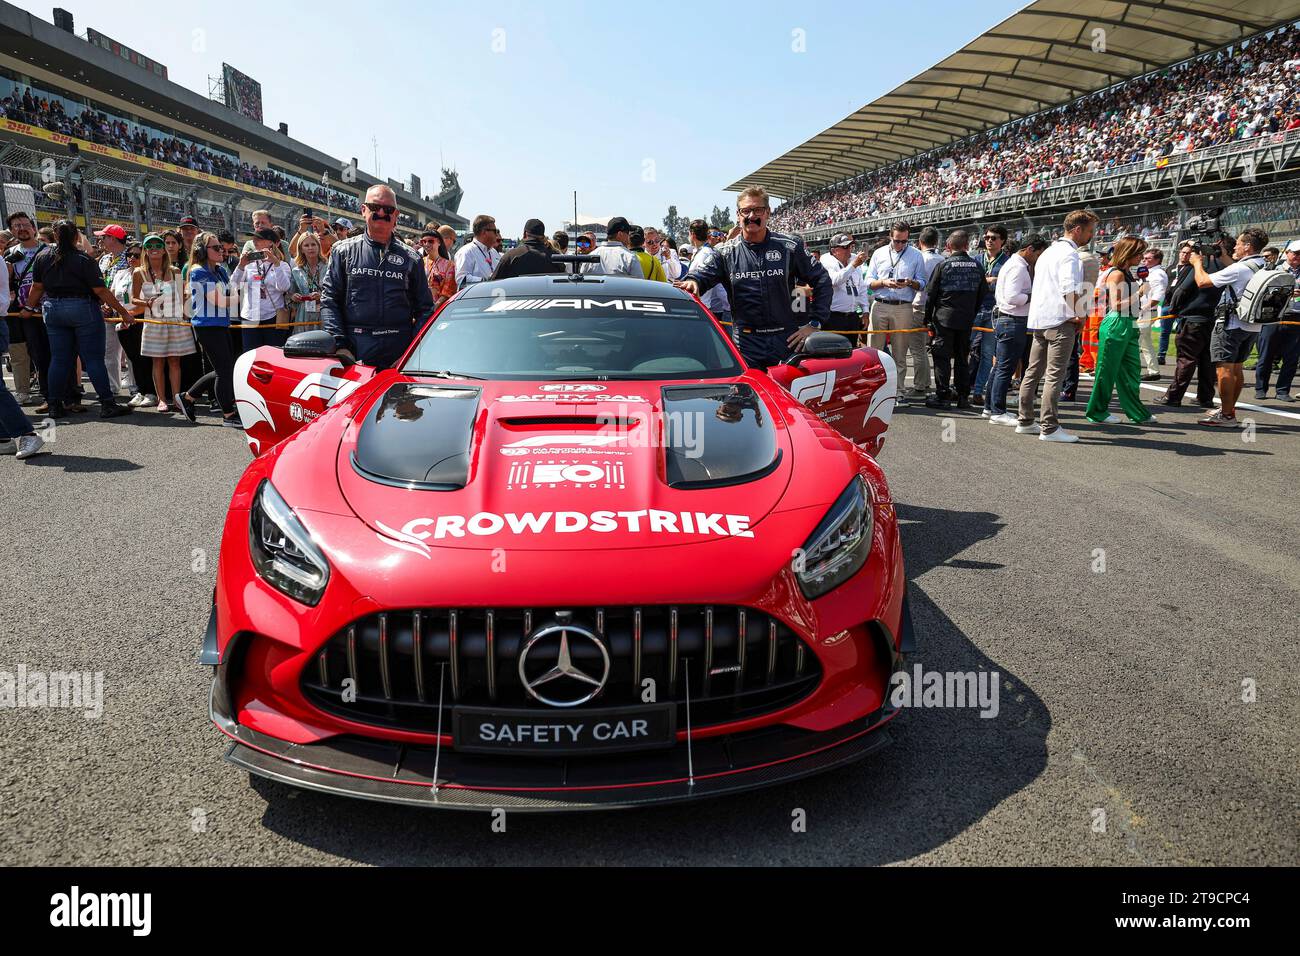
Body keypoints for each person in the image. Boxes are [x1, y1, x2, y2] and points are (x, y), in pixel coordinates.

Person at [678, 186, 830, 369]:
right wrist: (693, 280)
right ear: (738, 215)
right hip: (746, 345)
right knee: (747, 397)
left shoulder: (789, 247)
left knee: (783, 396)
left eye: (757, 210)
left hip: (786, 341)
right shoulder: (725, 253)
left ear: (767, 213)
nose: (751, 216)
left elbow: (822, 280)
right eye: (746, 211)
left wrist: (814, 323)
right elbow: (701, 276)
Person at [25, 220, 134, 418]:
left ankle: (54, 404)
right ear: (76, 236)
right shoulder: (83, 259)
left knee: (59, 359)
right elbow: (100, 290)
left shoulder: (42, 257)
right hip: (83, 308)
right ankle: (107, 403)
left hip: (53, 309)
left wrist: (27, 308)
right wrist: (123, 312)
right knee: (93, 358)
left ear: (55, 236)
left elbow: (37, 288)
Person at [321, 184, 436, 368]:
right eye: (375, 207)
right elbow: (329, 300)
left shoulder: (412, 259)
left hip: (399, 351)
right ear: (363, 210)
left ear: (396, 216)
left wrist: (411, 353)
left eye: (388, 209)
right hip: (355, 349)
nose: (381, 213)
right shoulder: (342, 252)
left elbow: (425, 310)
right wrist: (340, 345)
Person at [1018, 210, 1097, 443]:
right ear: (1077, 230)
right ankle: (1049, 427)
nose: (1091, 236)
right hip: (1059, 320)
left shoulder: (1049, 252)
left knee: (1033, 372)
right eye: (1090, 231)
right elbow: (1069, 289)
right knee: (1054, 376)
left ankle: (1025, 420)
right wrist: (1080, 315)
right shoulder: (1069, 254)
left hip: (1041, 320)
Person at [1190, 226, 1269, 427]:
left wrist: (1197, 263)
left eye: (1239, 243)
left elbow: (1203, 282)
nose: (1236, 246)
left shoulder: (1239, 268)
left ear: (1248, 246)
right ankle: (1228, 409)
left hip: (1230, 323)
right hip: (1251, 324)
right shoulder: (1263, 264)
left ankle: (1226, 416)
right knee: (1237, 368)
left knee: (1224, 369)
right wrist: (1224, 256)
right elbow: (1238, 270)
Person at [173, 232, 242, 428]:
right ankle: (228, 415)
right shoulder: (198, 271)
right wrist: (240, 297)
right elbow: (220, 301)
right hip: (207, 326)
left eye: (221, 247)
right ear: (203, 250)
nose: (222, 250)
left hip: (221, 324)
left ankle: (187, 398)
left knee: (225, 369)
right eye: (216, 247)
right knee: (223, 371)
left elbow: (230, 291)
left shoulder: (219, 270)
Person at [1085, 236, 1155, 425]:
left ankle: (1136, 412)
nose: (1141, 257)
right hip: (1117, 324)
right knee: (1106, 372)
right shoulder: (1116, 274)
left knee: (1131, 371)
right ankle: (1097, 411)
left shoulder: (1126, 272)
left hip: (1128, 323)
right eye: (1139, 253)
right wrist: (1139, 293)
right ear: (1128, 253)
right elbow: (1116, 305)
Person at [1156, 238, 1224, 409]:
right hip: (1211, 318)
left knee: (1186, 359)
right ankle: (1205, 397)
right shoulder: (1223, 267)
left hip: (1193, 319)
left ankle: (1174, 396)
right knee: (1206, 360)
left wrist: (1173, 309)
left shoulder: (1197, 268)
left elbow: (1181, 290)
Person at [986, 234, 1048, 424]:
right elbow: (1013, 297)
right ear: (1030, 249)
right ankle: (997, 410)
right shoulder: (1018, 267)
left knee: (1000, 367)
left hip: (1008, 319)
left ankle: (991, 408)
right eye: (1038, 254)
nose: (1038, 258)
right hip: (1012, 320)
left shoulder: (1014, 264)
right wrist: (1032, 296)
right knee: (1005, 367)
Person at [133, 232, 194, 413]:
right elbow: (134, 298)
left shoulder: (175, 271)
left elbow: (183, 297)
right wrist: (147, 303)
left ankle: (176, 398)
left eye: (158, 245)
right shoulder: (139, 272)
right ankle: (161, 399)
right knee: (157, 362)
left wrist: (186, 316)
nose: (154, 249)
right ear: (145, 250)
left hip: (174, 319)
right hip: (154, 321)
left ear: (164, 250)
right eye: (150, 246)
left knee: (175, 361)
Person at [865, 222, 929, 397]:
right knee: (874, 352)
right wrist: (884, 282)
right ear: (890, 236)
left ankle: (899, 391)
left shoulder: (916, 255)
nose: (900, 244)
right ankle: (874, 391)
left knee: (900, 353)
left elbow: (922, 283)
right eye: (897, 241)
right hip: (879, 305)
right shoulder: (879, 253)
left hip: (903, 307)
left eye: (904, 241)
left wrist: (910, 282)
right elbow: (868, 282)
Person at [922, 229, 983, 409]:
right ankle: (963, 397)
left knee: (942, 358)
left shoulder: (944, 265)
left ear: (948, 246)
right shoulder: (977, 266)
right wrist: (971, 312)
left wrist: (927, 319)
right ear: (966, 246)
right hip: (966, 320)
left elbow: (931, 294)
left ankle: (943, 396)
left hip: (944, 319)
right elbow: (982, 294)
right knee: (962, 359)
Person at [6, 211, 47, 409]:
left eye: (25, 224)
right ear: (12, 231)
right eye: (16, 226)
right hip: (16, 312)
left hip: (43, 310)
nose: (21, 228)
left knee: (43, 352)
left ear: (33, 227)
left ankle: (49, 392)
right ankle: (22, 392)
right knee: (18, 353)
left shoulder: (48, 250)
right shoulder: (10, 254)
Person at [231, 227, 293, 353]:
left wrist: (276, 264)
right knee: (251, 356)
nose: (254, 241)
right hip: (250, 317)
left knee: (273, 356)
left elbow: (283, 287)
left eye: (259, 238)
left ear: (271, 242)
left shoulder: (282, 265)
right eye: (254, 238)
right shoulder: (249, 264)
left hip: (273, 317)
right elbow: (233, 286)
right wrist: (241, 265)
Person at [1253, 238, 1300, 402]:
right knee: (1266, 355)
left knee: (1292, 358)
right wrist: (1284, 293)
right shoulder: (1274, 269)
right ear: (1287, 253)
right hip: (1273, 316)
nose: (1298, 257)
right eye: (1295, 253)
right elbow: (1262, 291)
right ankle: (1260, 388)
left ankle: (1282, 390)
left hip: (1296, 318)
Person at [969, 224, 1008, 402]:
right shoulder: (976, 259)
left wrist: (995, 281)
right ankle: (963, 387)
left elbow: (1011, 283)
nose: (989, 241)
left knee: (987, 353)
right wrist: (986, 281)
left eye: (993, 238)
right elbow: (970, 281)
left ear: (1003, 241)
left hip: (994, 310)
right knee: (966, 349)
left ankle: (978, 391)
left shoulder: (1007, 262)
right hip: (975, 308)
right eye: (987, 238)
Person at [819, 234, 868, 333]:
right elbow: (835, 280)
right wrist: (853, 265)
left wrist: (865, 311)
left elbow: (861, 288)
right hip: (833, 317)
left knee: (852, 347)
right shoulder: (827, 260)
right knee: (835, 347)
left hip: (852, 315)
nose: (849, 250)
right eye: (845, 247)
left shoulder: (853, 260)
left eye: (850, 246)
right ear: (833, 251)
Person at [687, 219, 732, 327]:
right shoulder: (703, 252)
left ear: (692, 234)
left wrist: (728, 310)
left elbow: (719, 287)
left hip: (701, 308)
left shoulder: (705, 254)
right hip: (703, 307)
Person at [1136, 247, 1169, 380]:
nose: (1144, 261)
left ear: (1157, 260)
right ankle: (1153, 371)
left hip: (1147, 312)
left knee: (1134, 340)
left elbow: (1158, 296)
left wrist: (1144, 308)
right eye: (1144, 258)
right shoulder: (1148, 273)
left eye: (1148, 258)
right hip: (1144, 310)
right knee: (1144, 341)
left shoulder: (1158, 274)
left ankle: (1129, 368)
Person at [491, 219, 563, 280]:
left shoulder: (511, 256)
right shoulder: (555, 258)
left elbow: (493, 283)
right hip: (547, 296)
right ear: (542, 236)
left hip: (515, 295)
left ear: (525, 234)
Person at [1158, 242, 1194, 363]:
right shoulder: (1170, 268)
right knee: (1164, 332)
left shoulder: (1192, 268)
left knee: (1182, 333)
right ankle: (1161, 355)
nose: (1185, 255)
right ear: (1180, 253)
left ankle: (1181, 356)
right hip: (1167, 304)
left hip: (1183, 306)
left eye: (1188, 253)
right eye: (1183, 252)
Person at [290, 231, 329, 328]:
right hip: (303, 315)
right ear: (301, 249)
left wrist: (321, 296)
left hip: (324, 313)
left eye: (313, 244)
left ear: (318, 247)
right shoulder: (296, 271)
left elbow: (337, 291)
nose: (310, 248)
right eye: (306, 245)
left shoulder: (329, 267)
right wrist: (294, 296)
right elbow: (290, 293)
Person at [454, 214, 502, 287]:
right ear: (484, 232)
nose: (497, 235)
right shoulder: (466, 252)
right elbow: (461, 279)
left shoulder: (494, 252)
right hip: (475, 297)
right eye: (495, 231)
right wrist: (485, 280)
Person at [419, 229, 457, 308]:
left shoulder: (449, 265)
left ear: (439, 242)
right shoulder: (419, 262)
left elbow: (448, 291)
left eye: (430, 241)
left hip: (438, 310)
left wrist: (434, 308)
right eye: (423, 241)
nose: (426, 244)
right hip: (418, 308)